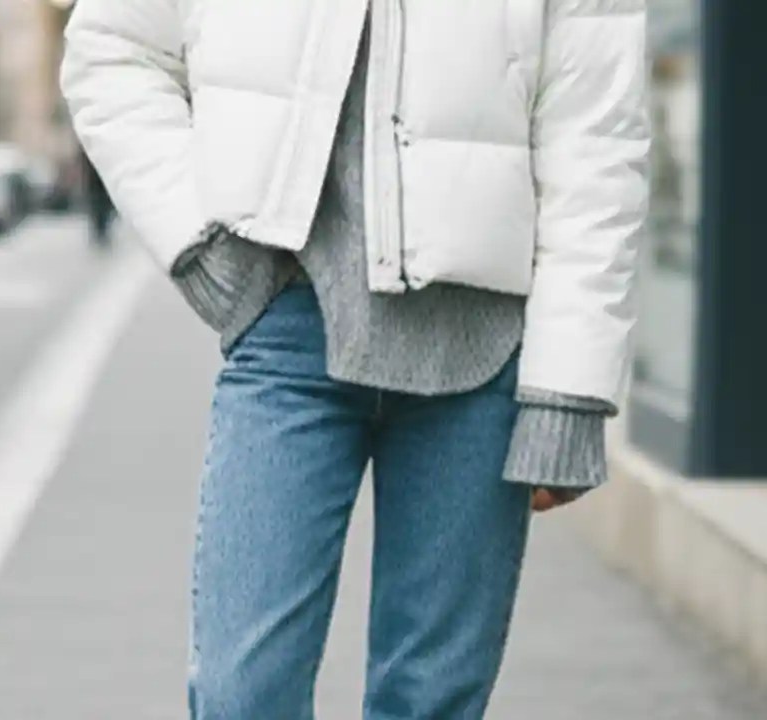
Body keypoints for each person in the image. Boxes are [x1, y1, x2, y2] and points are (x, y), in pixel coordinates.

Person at [62, 1, 649, 717]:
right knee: (243, 695)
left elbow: (595, 141)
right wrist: (196, 243)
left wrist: (569, 390)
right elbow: (112, 52)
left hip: (479, 356)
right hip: (290, 330)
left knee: (429, 702)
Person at [81, 146, 114, 247]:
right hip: (98, 188)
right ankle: (101, 232)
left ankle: (101, 232)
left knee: (100, 211)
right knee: (100, 211)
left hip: (98, 189)